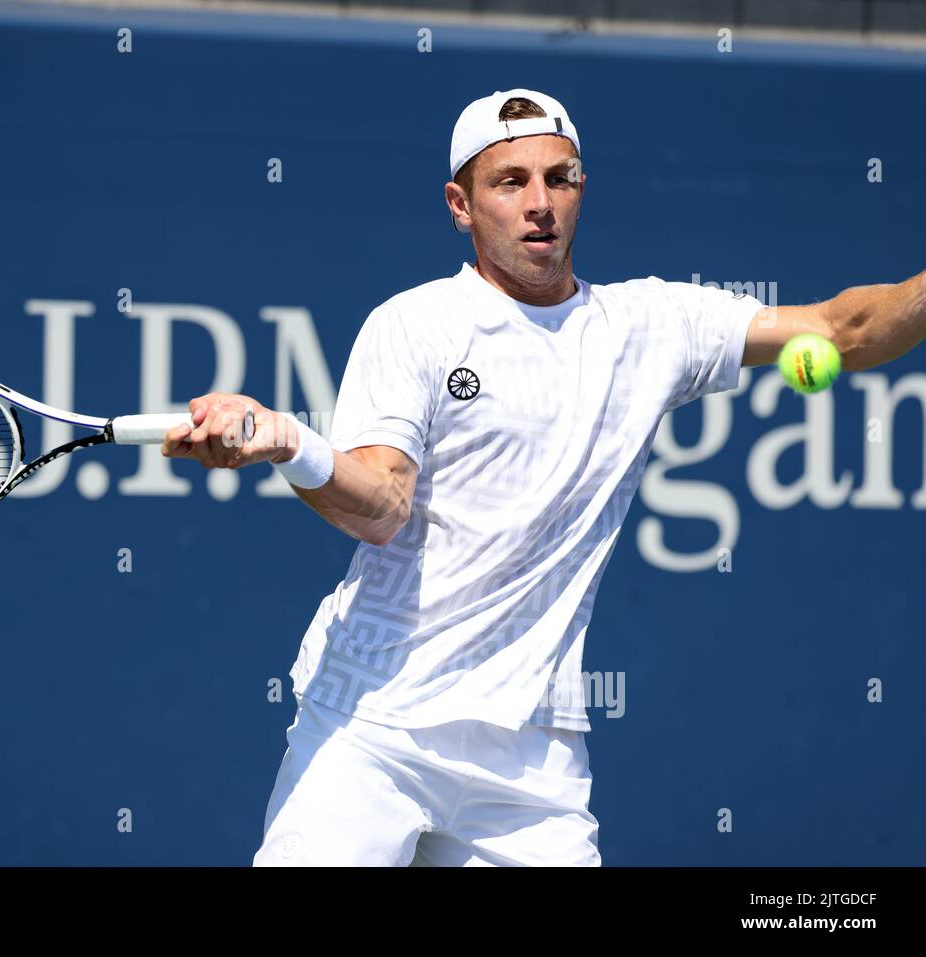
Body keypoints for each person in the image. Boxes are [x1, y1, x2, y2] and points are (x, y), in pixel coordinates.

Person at [162, 88, 926, 866]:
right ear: (461, 205)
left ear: (581, 188)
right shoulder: (416, 323)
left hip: (532, 764)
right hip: (373, 727)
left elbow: (846, 329)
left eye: (559, 178)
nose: (540, 204)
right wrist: (292, 442)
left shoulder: (652, 327)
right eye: (510, 182)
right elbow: (381, 504)